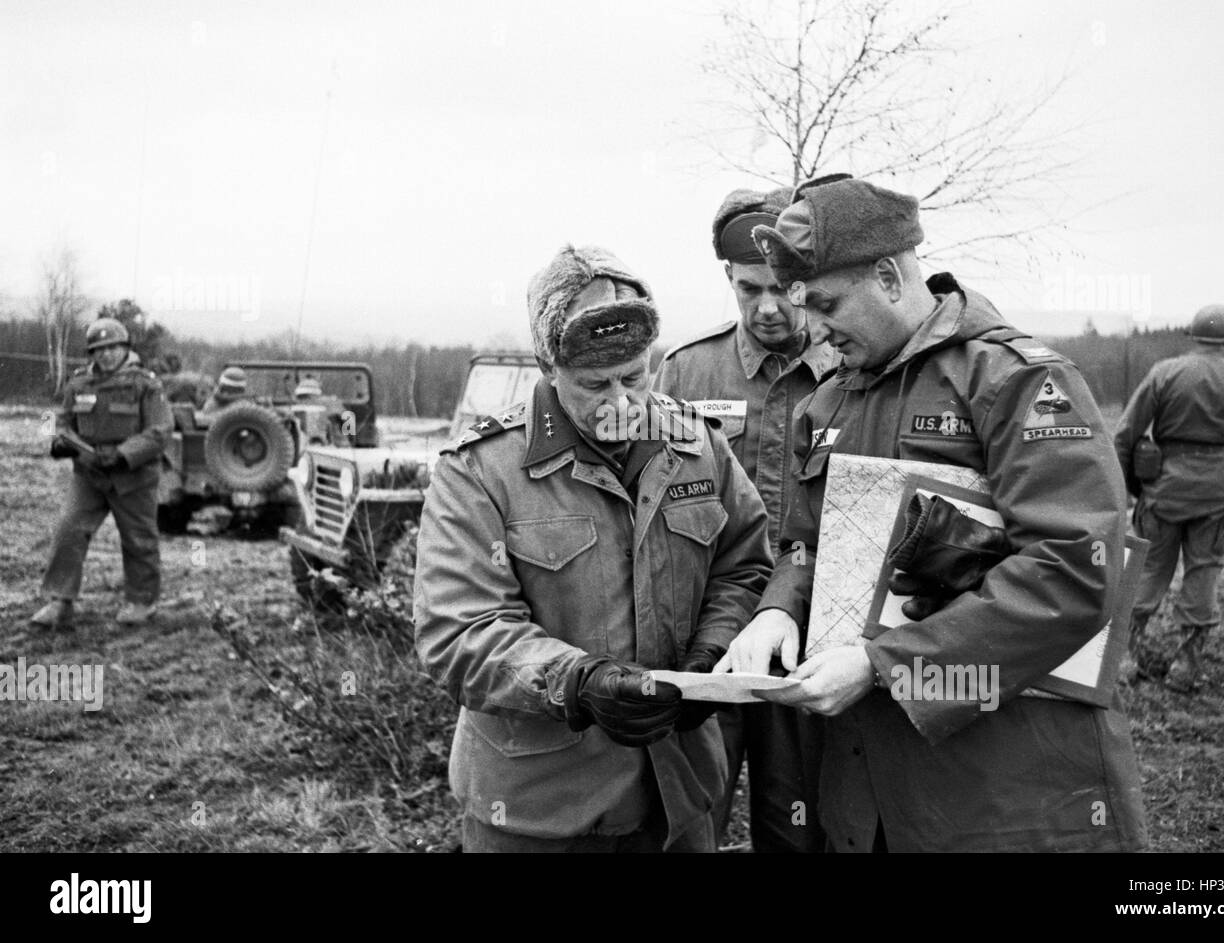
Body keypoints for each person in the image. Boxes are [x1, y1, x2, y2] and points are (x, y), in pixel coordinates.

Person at [720, 173, 1148, 852]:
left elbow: (1075, 570)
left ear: (889, 276)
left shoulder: (1016, 381)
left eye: (826, 303)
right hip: (867, 790)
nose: (814, 329)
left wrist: (886, 664)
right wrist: (778, 607)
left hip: (1000, 782)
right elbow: (806, 544)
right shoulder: (826, 404)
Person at [413, 244, 772, 853]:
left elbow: (744, 565)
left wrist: (713, 649)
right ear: (547, 367)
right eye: (594, 384)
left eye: (636, 377)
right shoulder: (481, 471)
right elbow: (458, 631)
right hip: (540, 809)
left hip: (679, 795)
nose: (622, 403)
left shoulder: (696, 444)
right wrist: (579, 683)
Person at [654, 186, 834, 852]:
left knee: (801, 826)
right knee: (685, 821)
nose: (767, 307)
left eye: (785, 288)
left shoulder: (855, 370)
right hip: (707, 641)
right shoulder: (684, 371)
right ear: (727, 277)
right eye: (747, 288)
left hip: (810, 644)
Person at [1113, 304, 1224, 691]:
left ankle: (1122, 659)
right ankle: (1186, 668)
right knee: (1203, 574)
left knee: (1149, 572)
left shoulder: (1163, 376)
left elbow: (1126, 436)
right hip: (1218, 498)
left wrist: (1134, 491)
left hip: (1162, 493)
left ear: (1195, 338)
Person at [31, 318, 173, 629]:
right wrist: (62, 443)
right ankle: (60, 601)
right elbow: (64, 422)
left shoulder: (146, 384)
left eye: (114, 348)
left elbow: (160, 431)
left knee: (138, 539)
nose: (107, 355)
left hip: (133, 475)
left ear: (126, 349)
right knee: (69, 530)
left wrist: (123, 456)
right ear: (91, 354)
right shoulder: (79, 384)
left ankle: (141, 601)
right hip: (89, 473)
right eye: (99, 350)